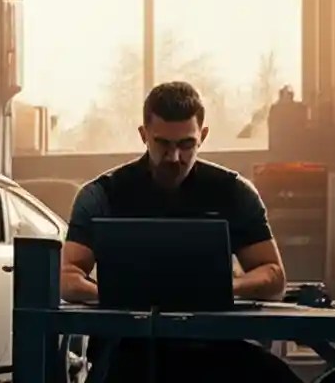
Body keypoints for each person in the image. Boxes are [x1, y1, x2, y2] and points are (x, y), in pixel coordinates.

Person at [60, 81, 298, 383]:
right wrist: (123, 297)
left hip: (213, 345)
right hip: (128, 349)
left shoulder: (232, 193)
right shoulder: (102, 195)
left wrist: (219, 289)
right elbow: (67, 277)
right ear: (143, 135)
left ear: (204, 135)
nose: (174, 157)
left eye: (186, 145)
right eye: (163, 144)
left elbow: (274, 275)